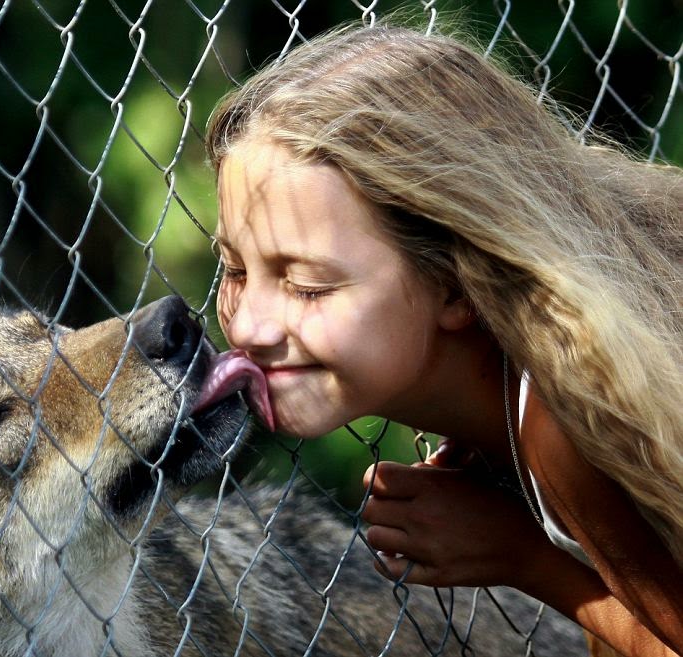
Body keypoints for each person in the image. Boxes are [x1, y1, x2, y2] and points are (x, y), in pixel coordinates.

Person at [203, 22, 683, 657]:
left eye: (310, 286)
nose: (250, 327)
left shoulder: (566, 417)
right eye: (235, 271)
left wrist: (522, 556)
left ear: (456, 284)